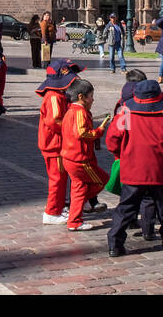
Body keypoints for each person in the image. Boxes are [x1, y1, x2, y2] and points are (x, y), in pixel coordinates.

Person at [105, 79, 163, 256]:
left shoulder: (125, 117)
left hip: (132, 170)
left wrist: (122, 153)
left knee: (125, 209)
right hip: (157, 171)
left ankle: (115, 244)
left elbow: (111, 141)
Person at [60, 78, 111, 231]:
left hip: (69, 157)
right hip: (80, 160)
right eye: (91, 96)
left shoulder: (71, 110)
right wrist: (99, 131)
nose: (93, 99)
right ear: (81, 97)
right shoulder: (80, 111)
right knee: (102, 180)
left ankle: (74, 221)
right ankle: (81, 205)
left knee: (78, 187)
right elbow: (81, 133)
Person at [37, 68, 77, 224]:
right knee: (57, 179)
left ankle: (58, 208)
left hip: (56, 143)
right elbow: (54, 121)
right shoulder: (54, 96)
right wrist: (71, 130)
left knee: (61, 178)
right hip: (54, 144)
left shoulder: (57, 95)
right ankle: (52, 212)